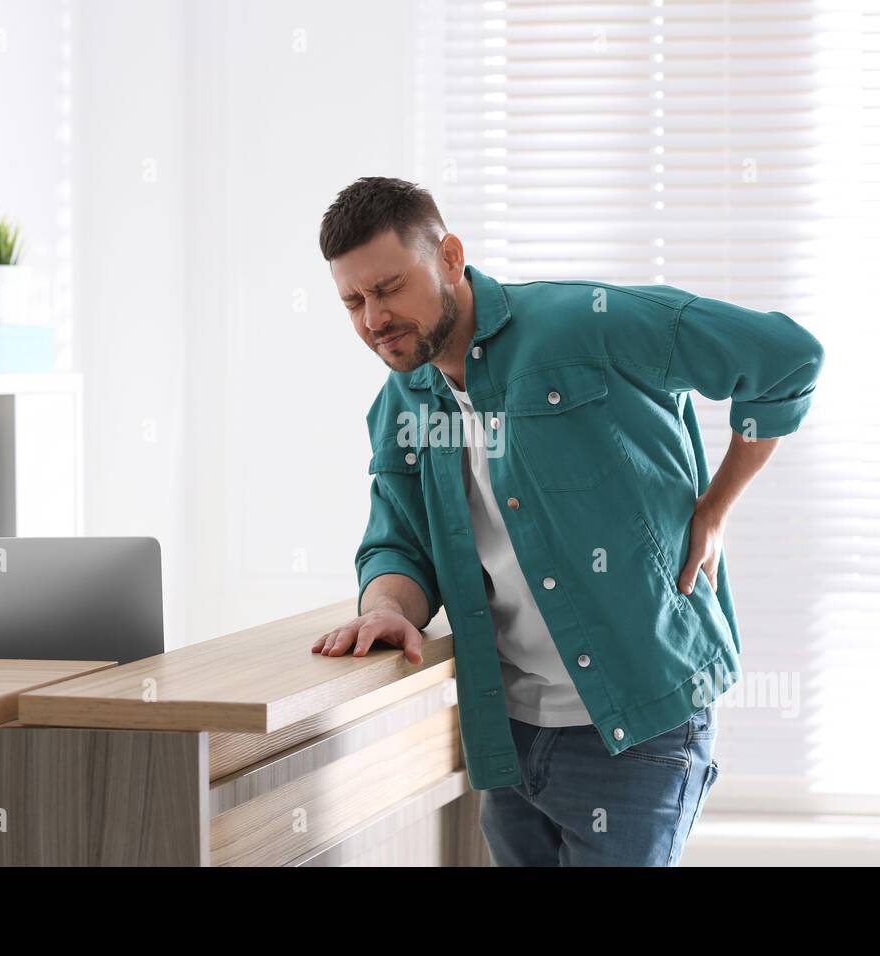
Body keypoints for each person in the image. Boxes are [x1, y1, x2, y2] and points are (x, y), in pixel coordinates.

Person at [311, 176, 824, 866]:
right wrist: (384, 607)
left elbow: (785, 359)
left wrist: (716, 507)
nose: (373, 319)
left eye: (389, 288)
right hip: (509, 734)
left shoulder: (588, 321)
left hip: (640, 729)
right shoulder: (404, 401)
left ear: (451, 257)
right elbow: (398, 542)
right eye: (353, 301)